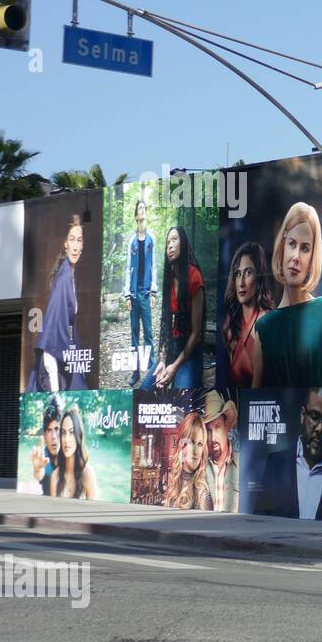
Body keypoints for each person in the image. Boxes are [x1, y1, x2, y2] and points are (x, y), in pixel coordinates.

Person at [251, 202, 322, 388]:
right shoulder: (264, 328)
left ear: (313, 256)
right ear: (282, 246)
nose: (295, 256)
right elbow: (255, 395)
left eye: (305, 248)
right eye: (292, 244)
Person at [255, 387, 322, 522]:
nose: (320, 428)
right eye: (314, 417)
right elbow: (259, 520)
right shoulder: (274, 465)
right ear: (303, 415)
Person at [141, 226, 206, 390]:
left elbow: (196, 333)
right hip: (172, 348)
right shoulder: (169, 277)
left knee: (181, 394)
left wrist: (175, 367)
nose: (170, 245)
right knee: (144, 389)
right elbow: (167, 324)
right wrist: (163, 361)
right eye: (167, 242)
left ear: (182, 243)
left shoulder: (194, 276)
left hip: (190, 352)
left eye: (174, 240)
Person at [29, 213, 84, 393]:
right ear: (65, 243)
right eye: (72, 239)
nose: (75, 246)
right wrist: (49, 352)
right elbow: (54, 319)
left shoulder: (69, 274)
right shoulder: (64, 275)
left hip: (63, 355)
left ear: (82, 246)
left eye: (79, 240)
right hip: (54, 359)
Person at [217, 241, 274, 388]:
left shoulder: (265, 321)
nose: (241, 283)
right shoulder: (231, 325)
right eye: (238, 274)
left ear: (259, 277)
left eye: (248, 272)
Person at [122, 200, 157, 384]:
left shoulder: (151, 239)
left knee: (148, 334)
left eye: (144, 208)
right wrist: (127, 294)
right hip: (134, 294)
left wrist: (154, 292)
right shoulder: (132, 241)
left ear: (146, 213)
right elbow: (128, 268)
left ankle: (152, 373)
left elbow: (154, 266)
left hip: (146, 293)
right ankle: (135, 373)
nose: (142, 211)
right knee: (134, 334)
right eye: (139, 209)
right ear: (136, 216)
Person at [164, 411, 212, 511]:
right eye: (192, 442)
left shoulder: (203, 494)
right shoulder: (174, 483)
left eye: (200, 444)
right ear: (182, 446)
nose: (196, 451)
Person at [202, 390, 240, 513]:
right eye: (209, 430)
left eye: (217, 427)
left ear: (226, 426)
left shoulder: (242, 464)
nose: (213, 438)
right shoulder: (201, 468)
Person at [50, 405, 97, 500]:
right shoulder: (55, 476)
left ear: (78, 435)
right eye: (63, 433)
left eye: (71, 432)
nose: (66, 439)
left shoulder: (88, 474)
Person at [25, 395, 62, 496]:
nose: (53, 436)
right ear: (45, 435)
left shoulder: (69, 453)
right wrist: (38, 469)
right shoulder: (43, 457)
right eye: (49, 430)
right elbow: (39, 474)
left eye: (57, 429)